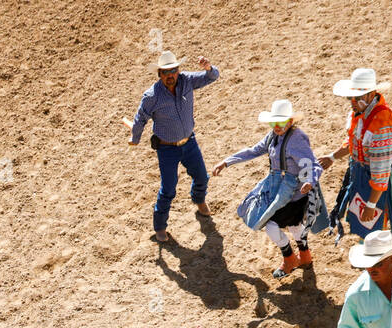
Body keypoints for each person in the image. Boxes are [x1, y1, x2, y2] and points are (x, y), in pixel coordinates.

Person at [212, 99, 331, 278]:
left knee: (271, 225)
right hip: (282, 190)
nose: (276, 126)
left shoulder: (296, 139)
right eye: (273, 122)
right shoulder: (272, 137)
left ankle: (289, 258)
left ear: (290, 122)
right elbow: (253, 150)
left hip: (295, 193)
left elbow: (312, 164)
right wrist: (227, 162)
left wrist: (310, 181)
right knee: (293, 224)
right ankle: (305, 256)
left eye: (281, 122)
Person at [128, 51, 219, 242]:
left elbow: (212, 77)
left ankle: (199, 200)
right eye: (165, 72)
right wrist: (135, 137)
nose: (170, 75)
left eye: (173, 71)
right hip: (167, 149)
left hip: (189, 142)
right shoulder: (151, 96)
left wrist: (208, 67)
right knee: (168, 189)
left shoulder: (187, 81)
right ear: (159, 74)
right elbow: (140, 118)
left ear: (178, 71)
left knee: (202, 176)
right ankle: (160, 227)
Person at [319, 68, 392, 242]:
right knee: (365, 220)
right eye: (350, 98)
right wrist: (333, 157)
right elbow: (355, 142)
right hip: (363, 170)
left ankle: (377, 251)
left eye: (357, 98)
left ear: (371, 95)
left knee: (376, 220)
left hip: (378, 177)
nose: (352, 102)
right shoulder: (359, 113)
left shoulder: (381, 126)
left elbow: (381, 173)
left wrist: (370, 204)